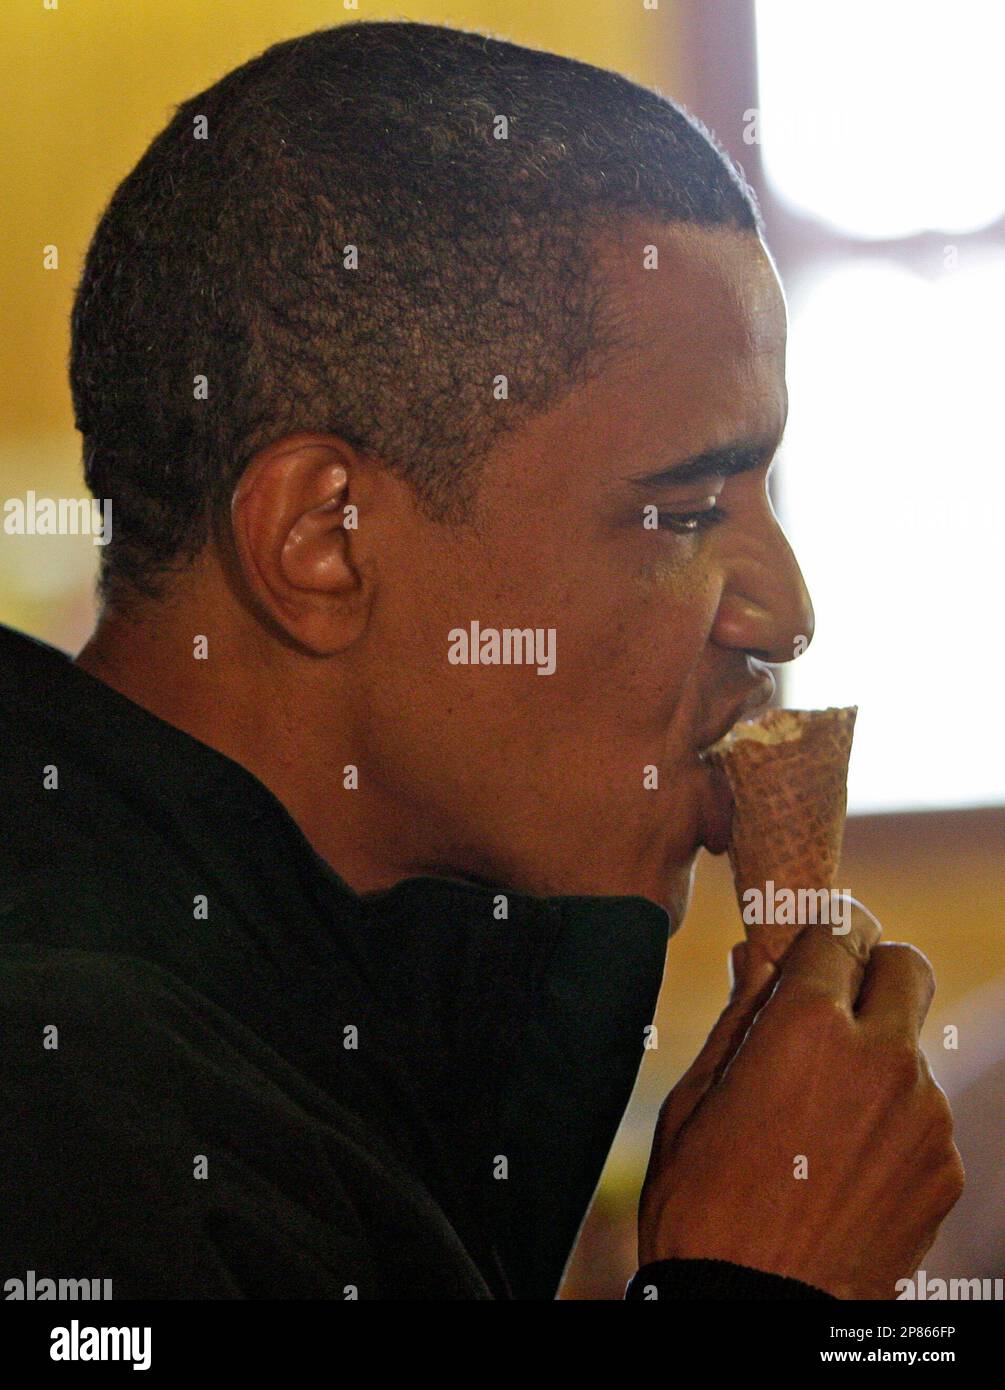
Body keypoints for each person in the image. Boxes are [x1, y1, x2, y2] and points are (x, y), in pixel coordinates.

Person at [0, 20, 962, 1300]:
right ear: (322, 540)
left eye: (761, 490)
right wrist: (760, 1287)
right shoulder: (72, 1106)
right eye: (683, 510)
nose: (787, 615)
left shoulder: (381, 999)